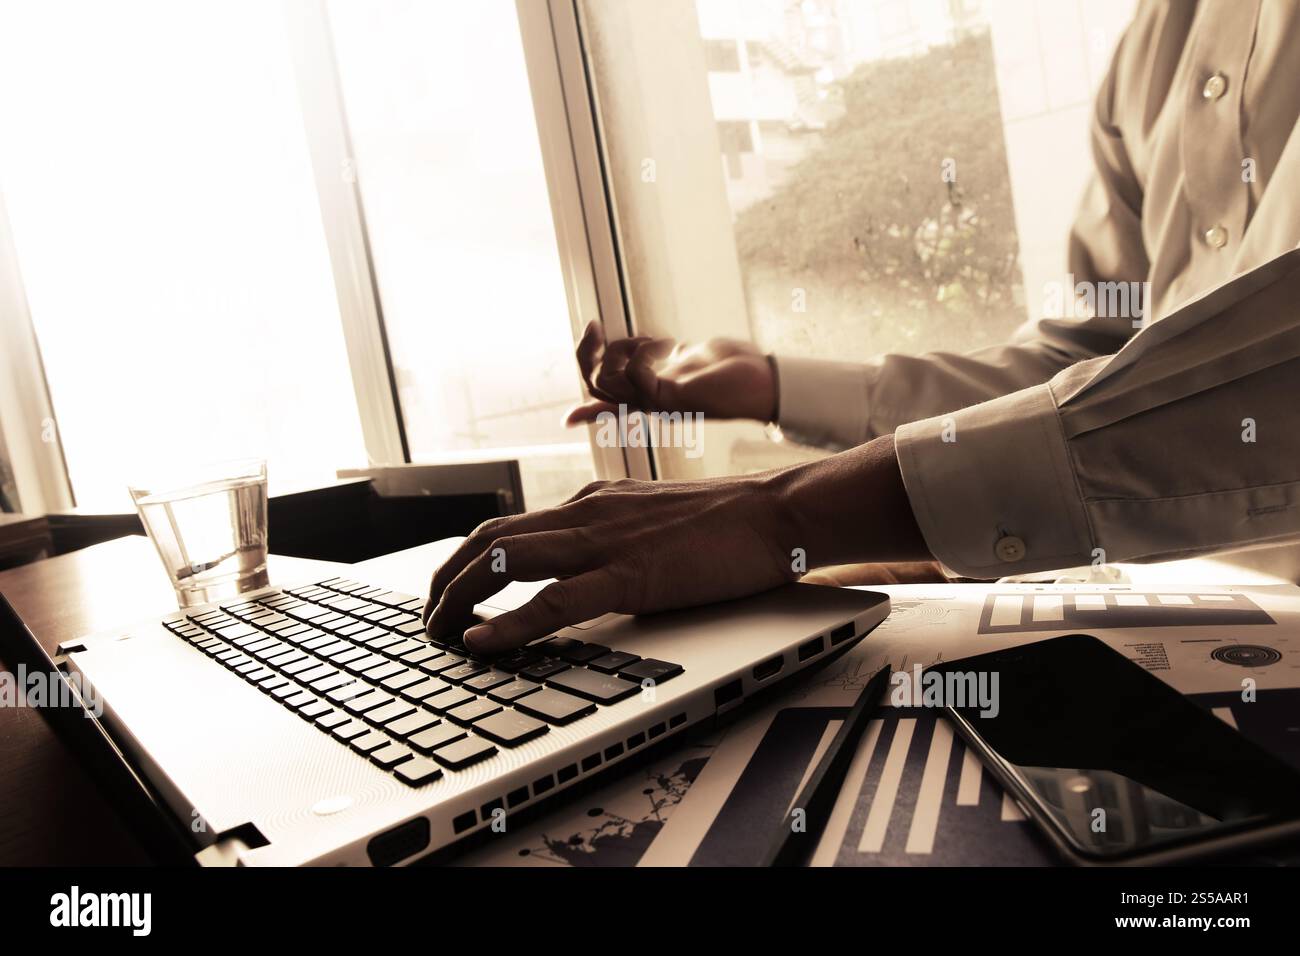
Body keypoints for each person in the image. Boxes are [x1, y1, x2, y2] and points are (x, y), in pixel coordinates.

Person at [426, 1, 1300, 656]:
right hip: (1148, 601)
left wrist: (781, 514)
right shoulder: (1163, 36)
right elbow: (1095, 366)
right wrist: (777, 386)